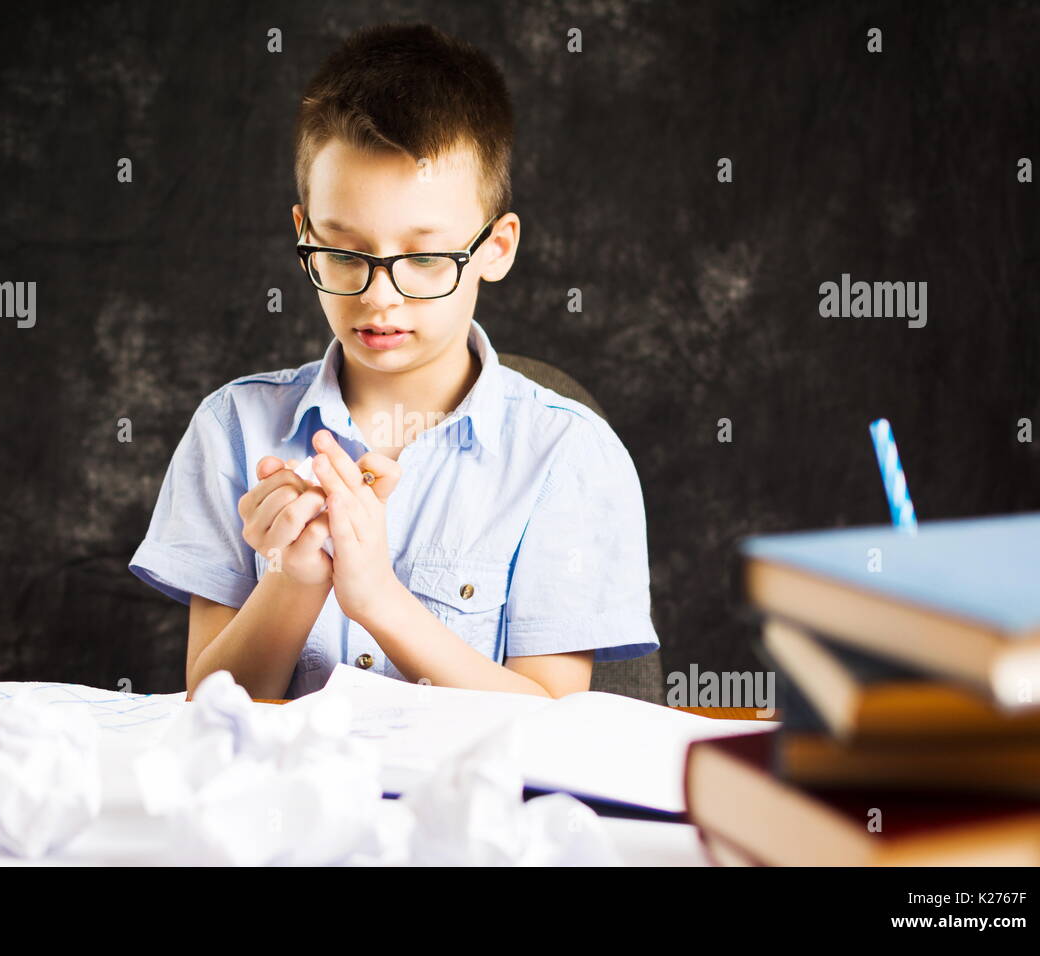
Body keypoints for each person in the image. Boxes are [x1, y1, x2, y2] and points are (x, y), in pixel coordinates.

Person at [130, 23, 660, 700]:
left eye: (426, 257)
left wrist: (379, 599)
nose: (379, 297)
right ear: (304, 234)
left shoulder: (566, 452)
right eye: (343, 253)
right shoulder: (232, 428)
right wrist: (294, 582)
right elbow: (209, 708)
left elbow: (551, 727)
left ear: (495, 249)